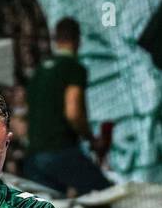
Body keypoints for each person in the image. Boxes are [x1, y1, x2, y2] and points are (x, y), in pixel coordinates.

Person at [22, 17, 111, 197]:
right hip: (61, 150)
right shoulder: (73, 68)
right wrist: (92, 139)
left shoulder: (38, 72)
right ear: (78, 40)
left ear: (55, 39)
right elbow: (73, 113)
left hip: (34, 157)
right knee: (103, 197)